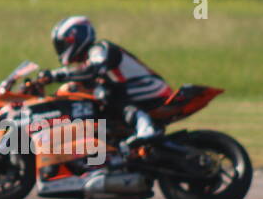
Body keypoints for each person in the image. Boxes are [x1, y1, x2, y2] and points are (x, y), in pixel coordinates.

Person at [38, 16, 173, 153]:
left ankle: (146, 128)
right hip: (132, 90)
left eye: (63, 44)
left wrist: (56, 75)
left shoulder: (100, 49)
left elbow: (93, 70)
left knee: (106, 93)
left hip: (151, 86)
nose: (62, 49)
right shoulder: (87, 61)